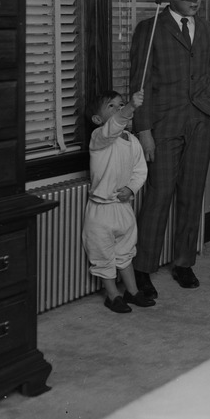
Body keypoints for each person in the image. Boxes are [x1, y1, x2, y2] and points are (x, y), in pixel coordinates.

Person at [129, 0, 210, 298]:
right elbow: (139, 84)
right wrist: (144, 131)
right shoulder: (150, 29)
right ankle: (142, 268)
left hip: (200, 123)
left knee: (192, 193)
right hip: (164, 125)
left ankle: (184, 262)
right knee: (159, 195)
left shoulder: (207, 29)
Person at [81, 89, 153, 313]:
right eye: (111, 106)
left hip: (123, 207)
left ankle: (132, 291)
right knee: (102, 255)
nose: (118, 109)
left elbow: (140, 171)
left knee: (125, 252)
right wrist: (130, 107)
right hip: (101, 210)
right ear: (97, 119)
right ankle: (112, 295)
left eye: (120, 104)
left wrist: (131, 189)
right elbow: (114, 126)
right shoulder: (99, 137)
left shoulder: (132, 140)